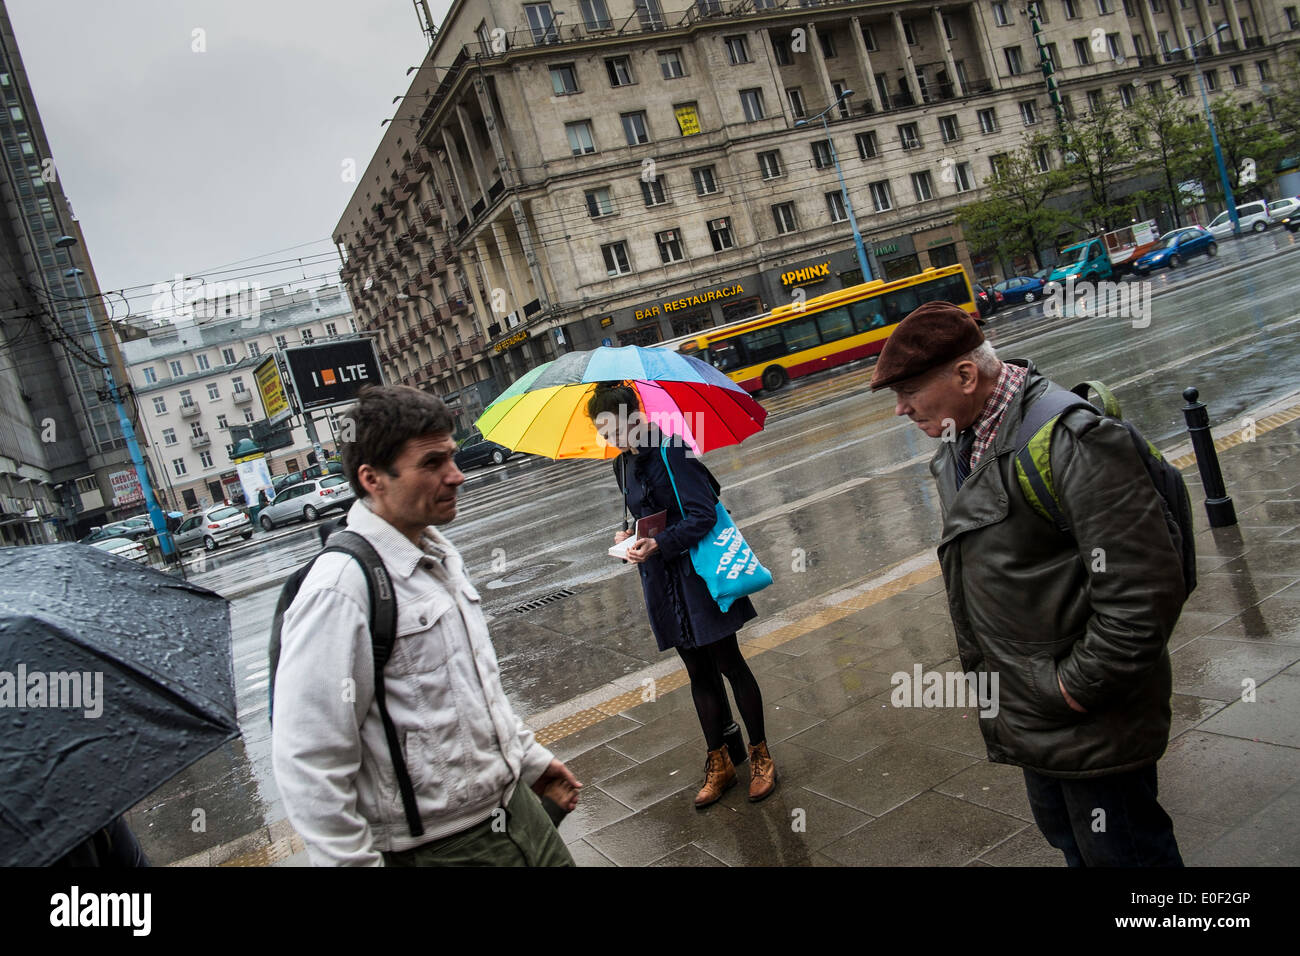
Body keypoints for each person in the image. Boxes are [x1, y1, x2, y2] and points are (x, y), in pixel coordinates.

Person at [871, 302, 1186, 867]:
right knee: (1074, 846)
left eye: (909, 391)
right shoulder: (960, 442)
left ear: (966, 376)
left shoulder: (1071, 439)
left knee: (1129, 859)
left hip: (1089, 715)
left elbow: (1142, 593)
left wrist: (1071, 687)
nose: (900, 409)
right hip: (1031, 710)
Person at [271, 385, 580, 866]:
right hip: (439, 849)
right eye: (432, 464)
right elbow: (309, 760)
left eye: (452, 457)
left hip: (518, 811)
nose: (456, 476)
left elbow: (475, 690)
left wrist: (531, 760)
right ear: (373, 479)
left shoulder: (435, 552)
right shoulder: (339, 589)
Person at [587, 383, 776, 807]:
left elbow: (704, 514)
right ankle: (719, 761)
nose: (606, 438)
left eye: (610, 427)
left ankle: (759, 754)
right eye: (600, 430)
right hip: (661, 582)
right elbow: (641, 517)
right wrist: (627, 539)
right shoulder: (622, 465)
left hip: (698, 577)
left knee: (729, 663)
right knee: (697, 673)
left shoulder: (674, 449)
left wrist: (662, 543)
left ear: (633, 417)